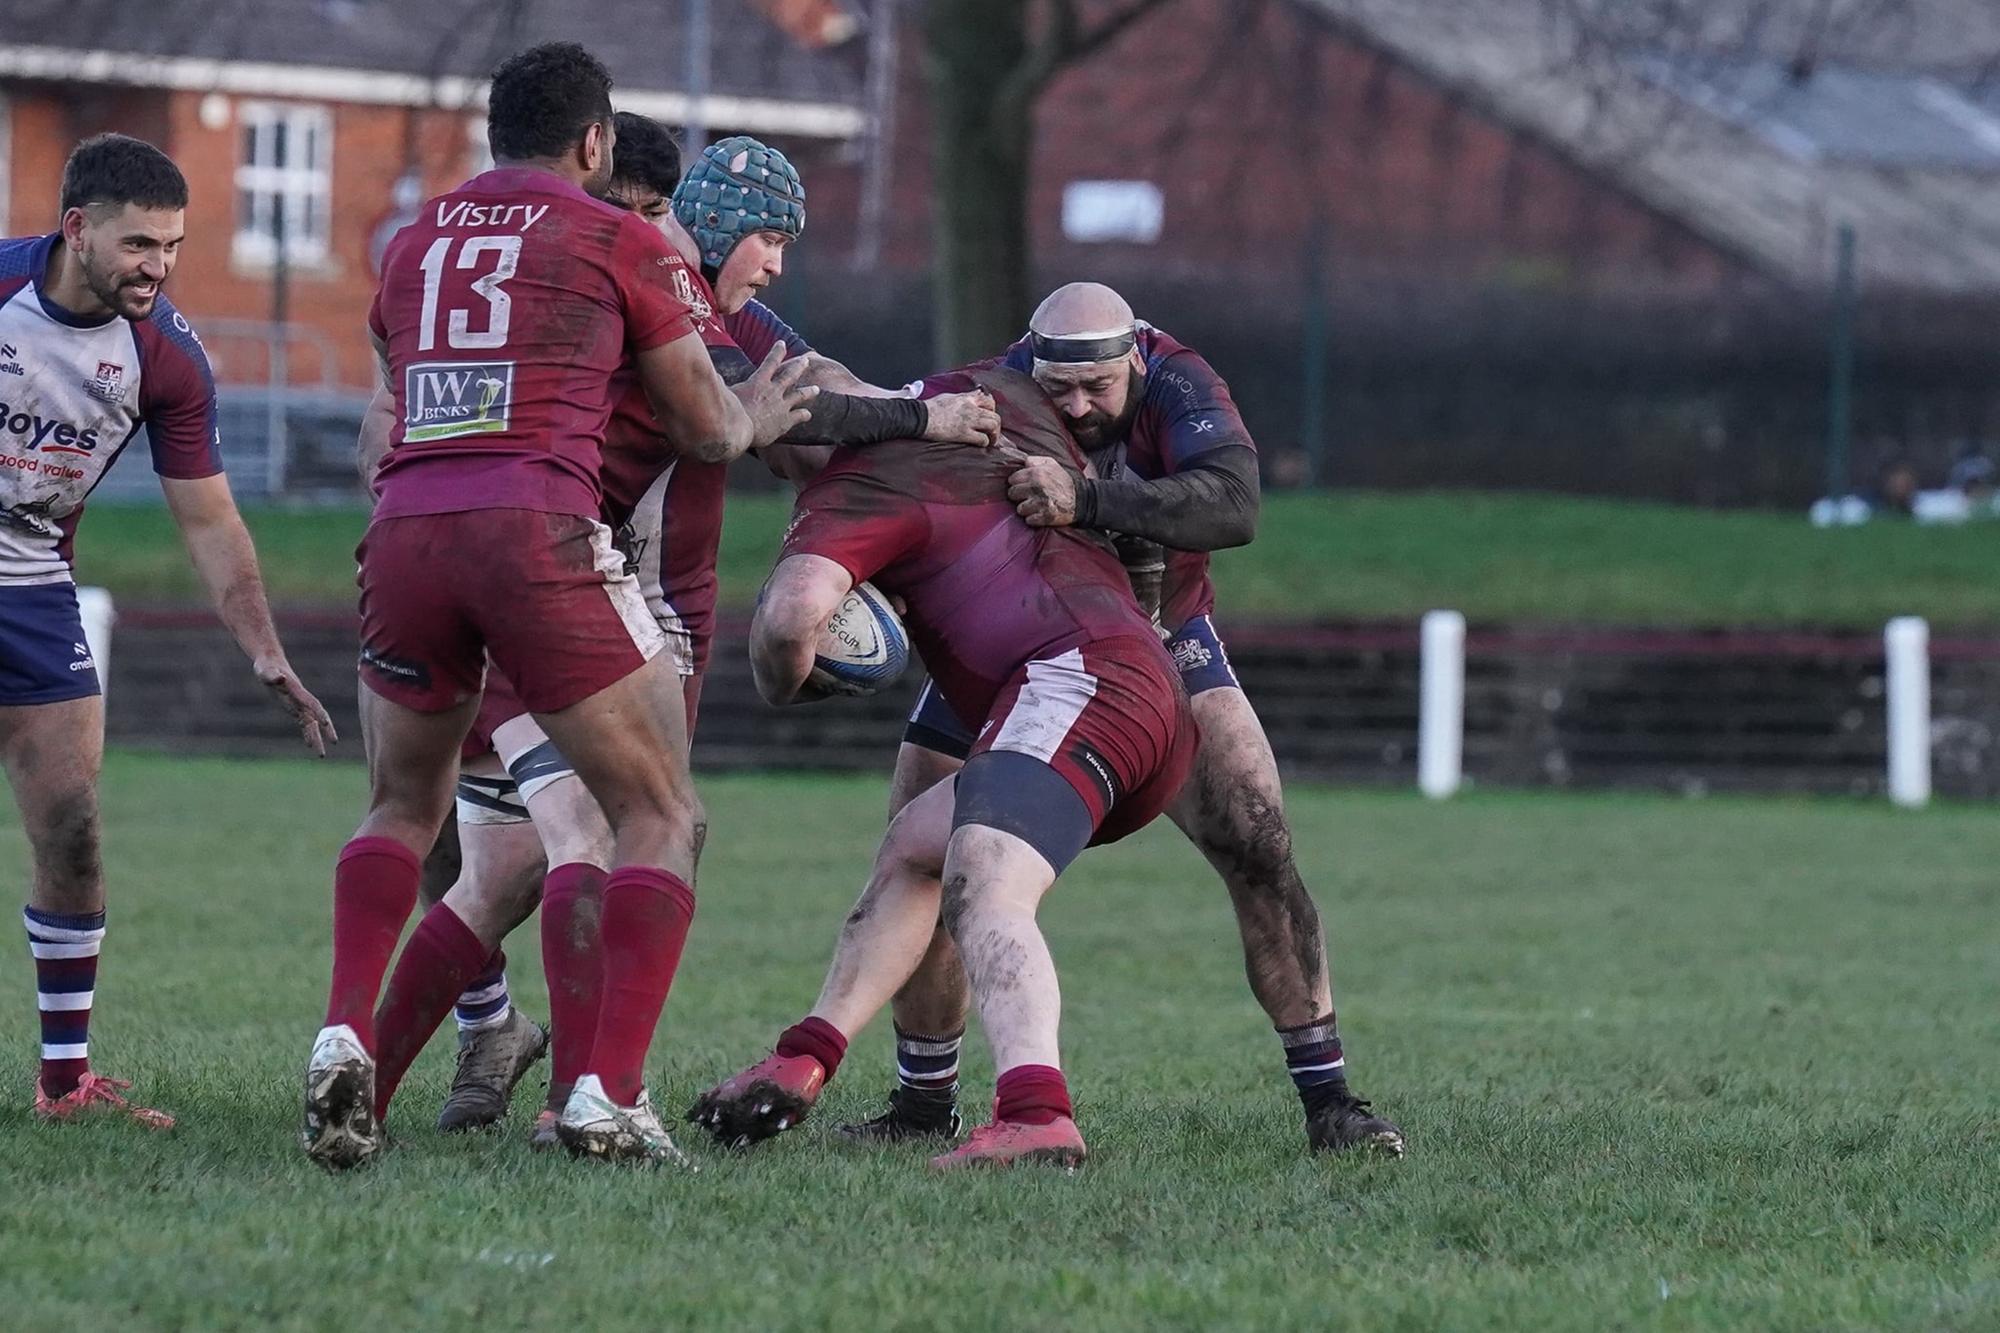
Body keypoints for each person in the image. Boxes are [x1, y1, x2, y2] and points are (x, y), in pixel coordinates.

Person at [357, 113, 999, 1147]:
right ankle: (589, 1097)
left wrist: (911, 405)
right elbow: (801, 419)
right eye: (769, 240)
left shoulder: (703, 304)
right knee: (597, 838)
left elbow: (812, 389)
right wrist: (927, 420)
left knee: (513, 866)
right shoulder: (659, 288)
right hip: (577, 596)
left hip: (620, 605)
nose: (778, 266)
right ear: (708, 227)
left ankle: (370, 1085)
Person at [301, 43, 814, 1171]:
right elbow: (710, 430)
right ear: (595, 143)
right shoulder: (616, 235)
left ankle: (345, 1028)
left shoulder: (411, 243)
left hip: (402, 538)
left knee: (400, 809)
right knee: (662, 816)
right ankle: (605, 1095)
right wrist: (764, 413)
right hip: (536, 537)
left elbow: (389, 415)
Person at [846, 282, 1404, 1157]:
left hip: (1164, 642)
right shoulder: (999, 387)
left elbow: (1234, 502)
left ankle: (1331, 1100)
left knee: (1260, 841)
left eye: (1096, 388)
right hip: (1009, 653)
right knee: (918, 857)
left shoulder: (1180, 381)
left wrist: (1087, 500)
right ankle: (924, 1103)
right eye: (1059, 387)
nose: (1075, 406)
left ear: (1133, 361)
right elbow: (892, 429)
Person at [690, 364, 1195, 1168]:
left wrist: (786, 682)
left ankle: (1037, 1111)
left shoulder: (852, 487)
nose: (766, 459)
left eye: (768, 445)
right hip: (1139, 693)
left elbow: (788, 619)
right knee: (913, 851)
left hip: (1076, 679)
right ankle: (803, 1056)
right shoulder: (996, 394)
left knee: (984, 879)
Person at [1, 134, 335, 1128]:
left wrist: (264, 647)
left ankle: (64, 1087)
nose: (159, 265)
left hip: (31, 587)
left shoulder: (165, 359)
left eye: (174, 246)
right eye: (140, 243)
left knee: (75, 827)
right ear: (76, 231)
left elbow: (210, 517)